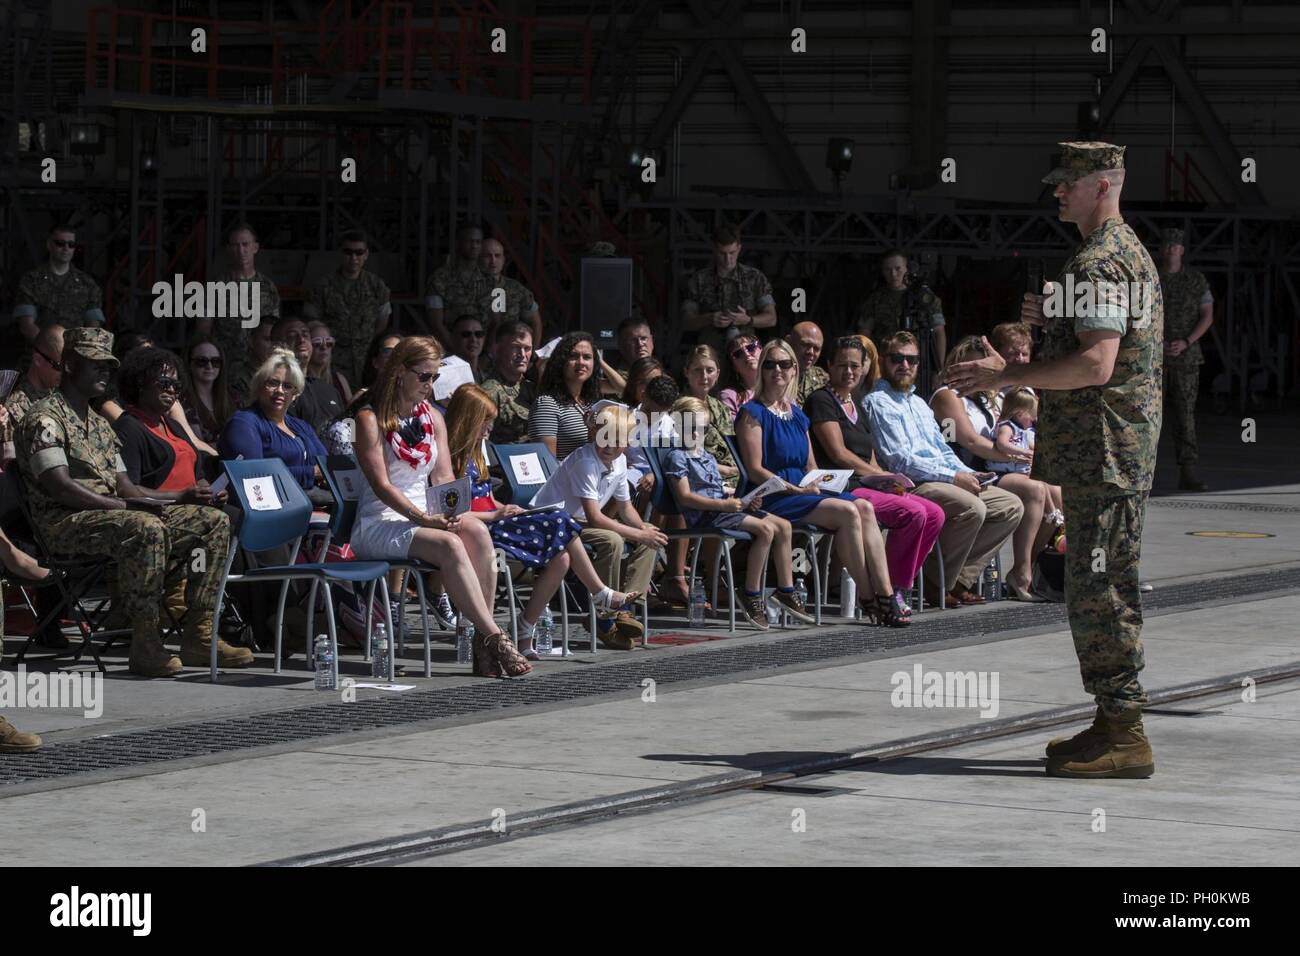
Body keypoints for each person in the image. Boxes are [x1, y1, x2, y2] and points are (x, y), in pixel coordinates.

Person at [945, 141, 1162, 779]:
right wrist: (1053, 323)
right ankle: (1110, 721)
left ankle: (1125, 731)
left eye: (1068, 183)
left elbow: (1097, 365)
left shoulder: (1099, 262)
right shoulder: (1124, 253)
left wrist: (1005, 371)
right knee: (1098, 585)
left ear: (1102, 184)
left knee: (1102, 589)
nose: (1057, 192)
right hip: (1110, 451)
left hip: (1106, 453)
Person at [14, 328, 243, 675]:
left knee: (211, 521)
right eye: (97, 365)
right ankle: (146, 640)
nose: (106, 373)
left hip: (111, 518)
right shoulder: (45, 417)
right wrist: (128, 508)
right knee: (144, 526)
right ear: (72, 364)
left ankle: (199, 633)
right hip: (64, 523)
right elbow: (60, 487)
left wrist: (180, 496)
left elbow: (127, 488)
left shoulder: (101, 426)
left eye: (109, 366)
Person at [349, 337, 528, 677]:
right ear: (400, 373)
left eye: (434, 377)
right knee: (449, 544)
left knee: (476, 531)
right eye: (424, 376)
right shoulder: (369, 418)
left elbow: (445, 480)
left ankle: (481, 639)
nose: (430, 386)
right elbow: (382, 486)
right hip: (380, 521)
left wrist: (452, 514)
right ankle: (495, 636)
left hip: (424, 515)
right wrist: (423, 519)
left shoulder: (433, 418)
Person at [445, 385, 640, 659]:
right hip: (478, 530)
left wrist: (504, 507)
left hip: (495, 522)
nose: (489, 430)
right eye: (484, 423)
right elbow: (450, 513)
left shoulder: (478, 453)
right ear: (468, 421)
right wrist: (494, 514)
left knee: (561, 558)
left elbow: (485, 498)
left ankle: (526, 629)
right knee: (559, 518)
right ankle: (599, 594)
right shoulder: (448, 460)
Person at [735, 340, 909, 626]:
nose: (777, 370)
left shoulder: (797, 414)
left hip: (802, 490)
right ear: (762, 370)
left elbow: (810, 466)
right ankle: (870, 599)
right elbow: (755, 470)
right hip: (772, 494)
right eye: (769, 364)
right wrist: (796, 488)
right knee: (848, 512)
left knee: (864, 507)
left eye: (784, 364)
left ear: (794, 371)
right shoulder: (752, 413)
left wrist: (822, 482)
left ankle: (885, 594)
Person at [865, 331, 1024, 609]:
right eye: (897, 358)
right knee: (971, 507)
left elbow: (942, 450)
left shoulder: (918, 403)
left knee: (1011, 506)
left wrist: (969, 474)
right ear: (882, 360)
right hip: (911, 483)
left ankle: (957, 580)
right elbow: (900, 461)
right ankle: (935, 583)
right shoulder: (877, 401)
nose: (905, 365)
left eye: (912, 360)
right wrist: (955, 477)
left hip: (945, 478)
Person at [806, 336, 945, 614]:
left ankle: (900, 584)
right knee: (912, 513)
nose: (849, 372)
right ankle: (888, 592)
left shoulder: (857, 402)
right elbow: (839, 454)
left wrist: (886, 479)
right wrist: (881, 475)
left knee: (934, 514)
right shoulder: (821, 400)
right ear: (830, 366)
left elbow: (868, 454)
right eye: (842, 365)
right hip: (841, 486)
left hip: (867, 482)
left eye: (855, 366)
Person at [931, 337, 1057, 601]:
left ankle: (1036, 568)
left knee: (1054, 488)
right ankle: (1021, 574)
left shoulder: (990, 397)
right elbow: (971, 441)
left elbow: (1018, 417)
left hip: (994, 468)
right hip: (967, 469)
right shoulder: (948, 396)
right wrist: (1018, 455)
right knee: (1033, 491)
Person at [531, 405, 667, 649]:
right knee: (611, 539)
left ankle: (625, 607)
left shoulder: (621, 461)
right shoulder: (586, 461)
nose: (609, 446)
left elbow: (626, 509)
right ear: (593, 434)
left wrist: (644, 532)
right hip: (554, 523)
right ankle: (603, 615)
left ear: (627, 443)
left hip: (578, 523)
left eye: (616, 440)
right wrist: (637, 533)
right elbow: (595, 518)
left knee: (650, 534)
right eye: (603, 437)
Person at [665, 396, 804, 630]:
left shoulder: (705, 456)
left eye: (703, 428)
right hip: (706, 514)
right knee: (766, 530)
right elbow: (685, 497)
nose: (697, 434)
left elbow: (718, 488)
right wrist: (725, 505)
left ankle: (786, 590)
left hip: (721, 508)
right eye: (691, 428)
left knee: (784, 525)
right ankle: (751, 594)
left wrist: (744, 499)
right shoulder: (677, 457)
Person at [218, 349, 328, 493]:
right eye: (273, 383)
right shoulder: (244, 423)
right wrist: (312, 473)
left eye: (287, 386)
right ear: (259, 386)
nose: (280, 391)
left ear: (295, 395)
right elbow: (254, 476)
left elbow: (327, 464)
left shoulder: (301, 426)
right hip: (271, 508)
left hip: (311, 503)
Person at [1158, 227, 1214, 491]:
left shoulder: (1195, 280)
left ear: (1182, 250)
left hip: (1186, 357)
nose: (1172, 249)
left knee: (1185, 416)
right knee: (1147, 418)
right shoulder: (1150, 278)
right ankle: (1142, 472)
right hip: (1153, 358)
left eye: (1176, 245)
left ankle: (1188, 470)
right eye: (1168, 244)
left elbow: (1207, 315)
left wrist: (1187, 341)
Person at [198, 222, 281, 396]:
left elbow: (273, 332)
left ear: (255, 247)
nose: (241, 250)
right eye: (235, 245)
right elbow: (204, 330)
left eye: (245, 244)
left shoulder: (267, 287)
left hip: (258, 367)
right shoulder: (215, 287)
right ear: (228, 249)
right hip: (225, 366)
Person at [303, 230, 392, 386]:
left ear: (366, 254)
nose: (353, 258)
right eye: (348, 252)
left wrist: (366, 341)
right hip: (333, 360)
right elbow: (312, 324)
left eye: (359, 252)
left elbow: (382, 321)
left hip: (366, 360)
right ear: (340, 253)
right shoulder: (322, 287)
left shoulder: (377, 286)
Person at [682, 222, 777, 352]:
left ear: (739, 248)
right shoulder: (699, 280)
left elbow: (771, 318)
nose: (728, 259)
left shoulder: (755, 278)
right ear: (715, 249)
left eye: (732, 253)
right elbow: (687, 321)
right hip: (711, 354)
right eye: (722, 253)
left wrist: (748, 320)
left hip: (746, 354)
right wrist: (709, 318)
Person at [856, 249, 947, 380]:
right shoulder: (875, 300)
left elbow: (939, 333)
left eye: (898, 268)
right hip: (885, 366)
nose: (893, 274)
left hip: (917, 366)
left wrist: (939, 370)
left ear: (907, 269)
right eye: (888, 269)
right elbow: (864, 335)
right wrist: (868, 364)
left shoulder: (924, 298)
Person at [13, 225, 104, 343]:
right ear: (49, 245)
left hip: (75, 354)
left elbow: (93, 325)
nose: (66, 248)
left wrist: (78, 349)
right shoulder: (31, 280)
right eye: (60, 243)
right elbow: (27, 325)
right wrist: (51, 348)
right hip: (40, 353)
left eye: (71, 244)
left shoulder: (88, 283)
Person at [528, 331, 600, 461]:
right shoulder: (546, 404)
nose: (581, 362)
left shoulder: (593, 403)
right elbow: (547, 463)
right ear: (561, 361)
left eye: (587, 357)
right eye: (573, 356)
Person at [271, 316, 344, 434]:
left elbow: (350, 434)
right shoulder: (276, 391)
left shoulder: (329, 390)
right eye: (292, 336)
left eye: (305, 335)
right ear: (277, 345)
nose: (301, 339)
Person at [2, 324, 64, 462]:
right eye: (59, 366)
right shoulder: (15, 408)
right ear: (38, 360)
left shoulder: (65, 396)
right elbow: (12, 466)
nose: (66, 373)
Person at [680, 344, 739, 483]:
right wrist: (727, 470)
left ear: (717, 374)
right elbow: (684, 456)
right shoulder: (680, 407)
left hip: (734, 476)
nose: (704, 376)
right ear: (686, 372)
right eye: (697, 370)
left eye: (710, 370)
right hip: (703, 479)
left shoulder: (720, 407)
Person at [425, 223, 489, 347]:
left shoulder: (493, 280)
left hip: (483, 351)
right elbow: (436, 323)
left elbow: (497, 321)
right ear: (458, 243)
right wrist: (458, 350)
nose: (474, 246)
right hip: (449, 348)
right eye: (469, 241)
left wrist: (486, 353)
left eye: (478, 242)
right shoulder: (440, 278)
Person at [478, 237, 542, 348]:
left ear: (503, 259)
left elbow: (536, 323)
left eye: (497, 256)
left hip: (507, 354)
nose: (493, 261)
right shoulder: (465, 286)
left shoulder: (516, 288)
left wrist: (532, 355)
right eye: (487, 256)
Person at [481, 321, 536, 446]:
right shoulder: (489, 391)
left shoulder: (531, 387)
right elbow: (482, 442)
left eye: (527, 349)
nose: (522, 355)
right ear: (497, 349)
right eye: (516, 347)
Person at [180, 336, 239, 450]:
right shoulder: (183, 399)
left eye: (215, 361)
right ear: (189, 364)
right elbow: (197, 443)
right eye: (202, 361)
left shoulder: (233, 396)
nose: (209, 366)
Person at [307, 320, 354, 405]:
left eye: (329, 343)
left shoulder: (339, 379)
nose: (324, 347)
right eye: (317, 343)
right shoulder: (300, 382)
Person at [718, 331, 761, 419]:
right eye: (738, 354)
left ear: (762, 351)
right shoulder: (729, 396)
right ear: (734, 367)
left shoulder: (779, 385)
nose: (746, 354)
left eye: (751, 347)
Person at [786, 321, 829, 406]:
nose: (811, 352)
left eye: (816, 348)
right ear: (788, 342)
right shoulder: (773, 373)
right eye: (805, 344)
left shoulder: (822, 378)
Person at [448, 313, 487, 384]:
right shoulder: (444, 374)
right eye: (466, 334)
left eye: (478, 334)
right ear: (453, 339)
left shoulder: (488, 377)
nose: (473, 339)